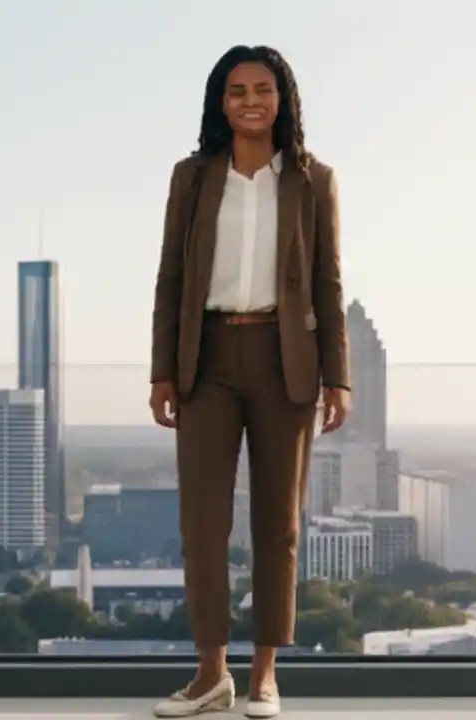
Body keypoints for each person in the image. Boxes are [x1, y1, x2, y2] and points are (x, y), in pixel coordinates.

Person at [147, 45, 351, 719]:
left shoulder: (313, 180)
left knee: (278, 524)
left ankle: (265, 674)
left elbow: (328, 280)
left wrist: (339, 377)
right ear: (221, 102)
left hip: (283, 358)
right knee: (203, 524)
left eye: (263, 89)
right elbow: (170, 278)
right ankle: (211, 675)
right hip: (204, 359)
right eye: (237, 90)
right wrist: (162, 370)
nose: (251, 101)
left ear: (283, 98)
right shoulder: (193, 177)